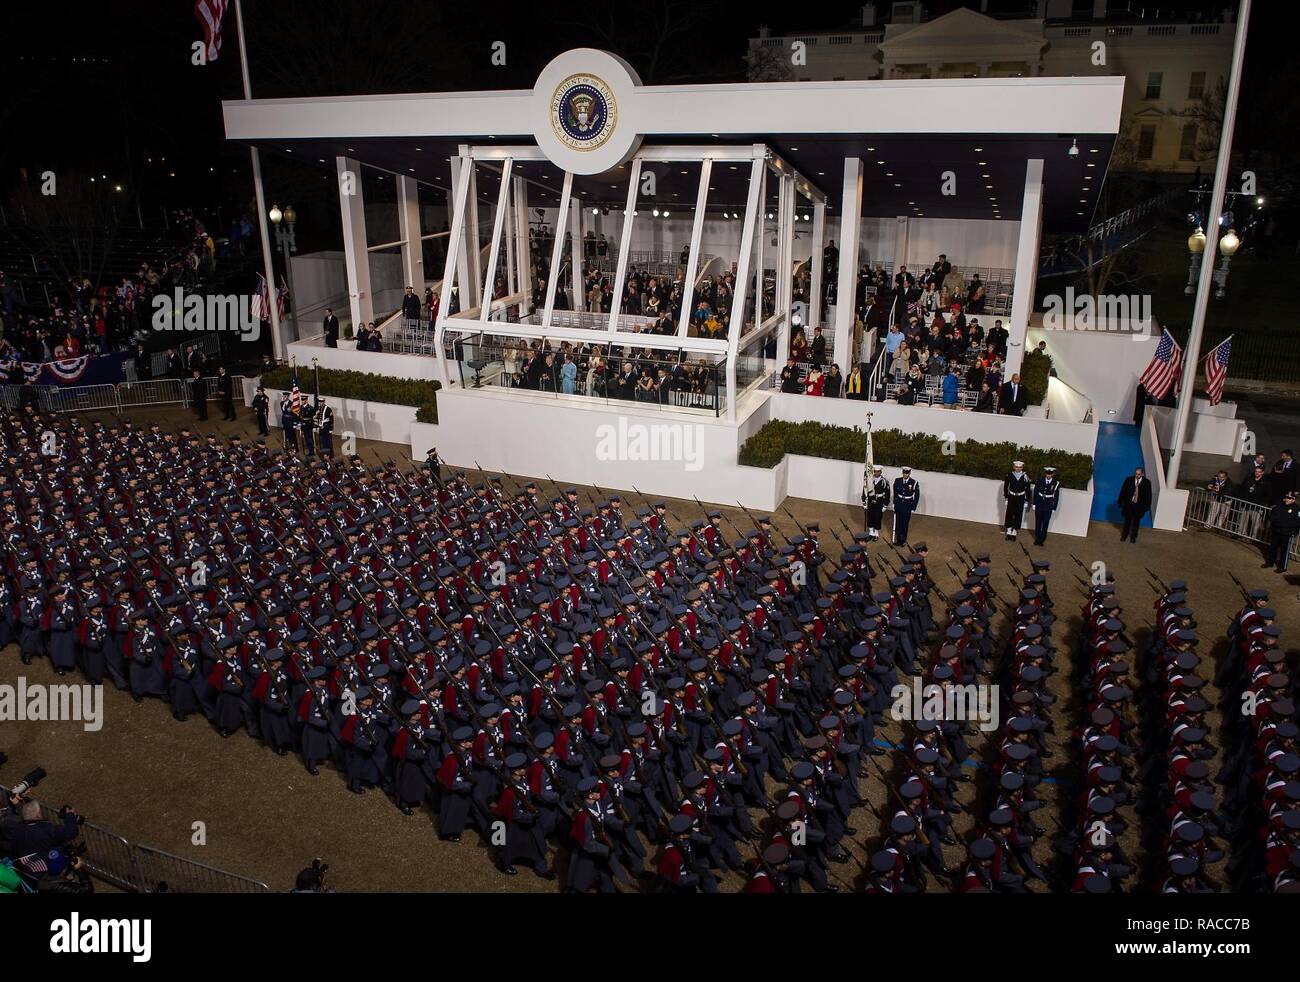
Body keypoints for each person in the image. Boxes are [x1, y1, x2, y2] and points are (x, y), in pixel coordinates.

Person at [1264, 489, 1300, 573]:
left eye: (1289, 498)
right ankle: (1270, 562)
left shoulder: (1297, 509)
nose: (1287, 499)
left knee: (1284, 551)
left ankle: (1282, 567)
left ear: (1293, 499)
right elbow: (1272, 515)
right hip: (1276, 530)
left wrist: (1286, 526)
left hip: (1287, 533)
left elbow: (1297, 522)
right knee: (1273, 548)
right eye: (1286, 497)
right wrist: (1277, 523)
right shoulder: (1279, 506)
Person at [1117, 467, 1152, 543]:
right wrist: (1120, 502)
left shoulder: (1147, 483)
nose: (1137, 475)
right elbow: (1123, 491)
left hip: (1139, 506)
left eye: (1139, 474)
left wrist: (1147, 506)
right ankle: (1124, 536)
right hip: (1129, 505)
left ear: (1142, 474)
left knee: (1136, 522)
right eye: (1136, 474)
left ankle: (1133, 537)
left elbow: (1148, 496)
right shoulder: (1128, 480)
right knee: (1127, 522)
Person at [1031, 465, 1060, 546]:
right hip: (1039, 503)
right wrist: (1034, 503)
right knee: (1038, 522)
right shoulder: (1040, 480)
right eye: (1047, 473)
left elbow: (1056, 496)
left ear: (1053, 474)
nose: (1048, 475)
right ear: (1045, 473)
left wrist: (1054, 507)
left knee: (1045, 523)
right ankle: (1037, 539)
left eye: (1050, 473)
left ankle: (1042, 539)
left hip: (1048, 505)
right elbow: (1036, 492)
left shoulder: (1056, 483)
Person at [1002, 460, 1030, 541]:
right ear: (1014, 467)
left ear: (1022, 468)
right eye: (1016, 467)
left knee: (1018, 513)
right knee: (1009, 513)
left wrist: (1026, 500)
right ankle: (1009, 530)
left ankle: (1014, 530)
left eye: (1020, 467)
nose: (1018, 469)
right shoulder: (1009, 475)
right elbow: (1006, 486)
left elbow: (1027, 489)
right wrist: (1006, 497)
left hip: (1020, 497)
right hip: (1011, 496)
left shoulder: (1025, 476)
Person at [891, 466, 919, 545]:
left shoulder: (914, 482)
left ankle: (903, 540)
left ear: (910, 473)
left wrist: (913, 507)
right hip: (899, 504)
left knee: (905, 523)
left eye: (907, 473)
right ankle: (898, 539)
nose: (905, 475)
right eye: (904, 473)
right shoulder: (897, 480)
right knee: (898, 522)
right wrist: (894, 503)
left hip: (907, 505)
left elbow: (916, 496)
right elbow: (895, 493)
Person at [863, 465, 889, 540]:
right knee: (870, 515)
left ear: (881, 472)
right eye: (875, 471)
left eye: (878, 471)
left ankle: (876, 533)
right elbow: (864, 490)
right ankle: (871, 532)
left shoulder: (884, 481)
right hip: (870, 500)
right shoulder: (869, 480)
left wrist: (885, 505)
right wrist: (864, 501)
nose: (876, 473)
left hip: (879, 501)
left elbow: (887, 493)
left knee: (877, 516)